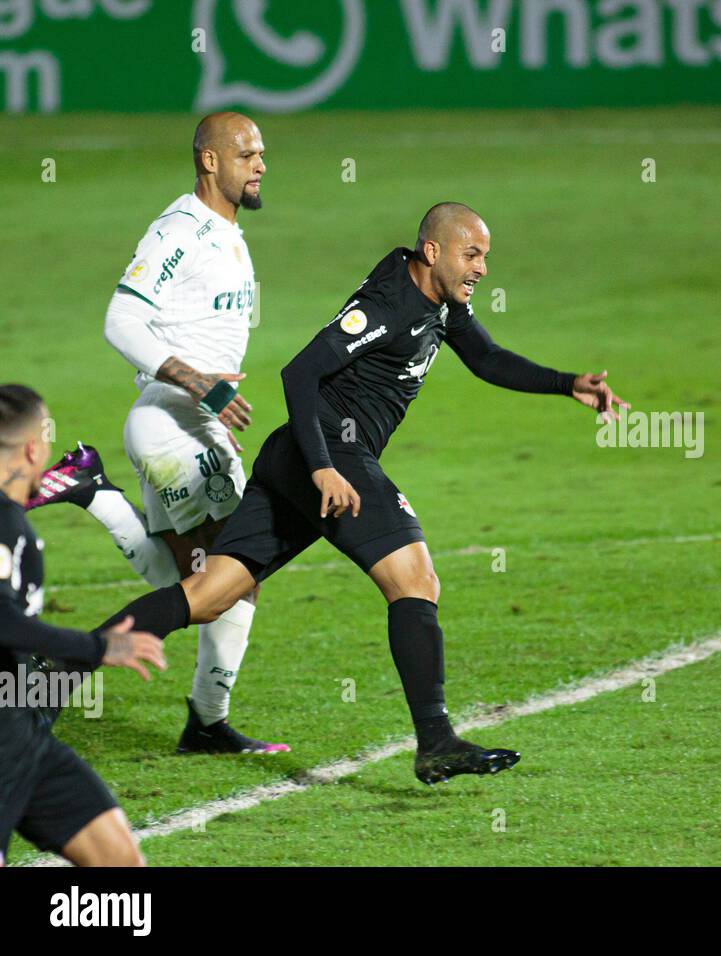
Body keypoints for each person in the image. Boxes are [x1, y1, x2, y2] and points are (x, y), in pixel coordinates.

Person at [94, 202, 628, 785]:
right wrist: (323, 468)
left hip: (298, 459)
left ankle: (57, 663)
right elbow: (298, 373)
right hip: (324, 455)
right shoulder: (390, 304)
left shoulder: (443, 304)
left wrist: (566, 384)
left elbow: (488, 359)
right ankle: (437, 741)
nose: (481, 268)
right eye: (471, 254)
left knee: (209, 595)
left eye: (485, 257)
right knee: (415, 581)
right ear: (434, 252)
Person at [26, 112, 286, 754]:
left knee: (206, 581)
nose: (260, 164)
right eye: (247, 153)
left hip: (190, 425)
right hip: (174, 422)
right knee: (227, 577)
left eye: (262, 153)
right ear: (209, 161)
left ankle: (93, 491)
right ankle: (81, 683)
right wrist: (206, 387)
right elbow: (120, 321)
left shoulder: (230, 236)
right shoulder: (180, 229)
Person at [0, 384, 166, 866]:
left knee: (121, 863)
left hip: (24, 738)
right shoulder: (4, 523)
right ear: (34, 448)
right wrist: (97, 647)